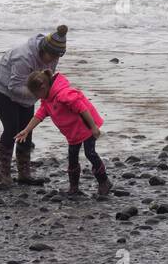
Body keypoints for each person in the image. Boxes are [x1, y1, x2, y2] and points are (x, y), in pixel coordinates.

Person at [0, 24, 67, 188]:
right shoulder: (23, 56)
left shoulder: (54, 55)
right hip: (2, 89)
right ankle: (4, 175)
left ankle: (24, 174)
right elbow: (14, 87)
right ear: (42, 49)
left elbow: (47, 80)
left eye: (56, 57)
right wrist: (39, 93)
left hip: (29, 91)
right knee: (11, 129)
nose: (52, 60)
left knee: (27, 129)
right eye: (50, 56)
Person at [16, 68, 111, 197]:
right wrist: (26, 130)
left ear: (43, 88)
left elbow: (83, 109)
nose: (36, 98)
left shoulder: (64, 95)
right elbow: (39, 115)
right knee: (72, 157)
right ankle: (74, 187)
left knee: (90, 153)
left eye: (36, 94)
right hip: (73, 132)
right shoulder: (47, 100)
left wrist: (94, 127)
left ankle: (104, 181)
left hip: (87, 126)